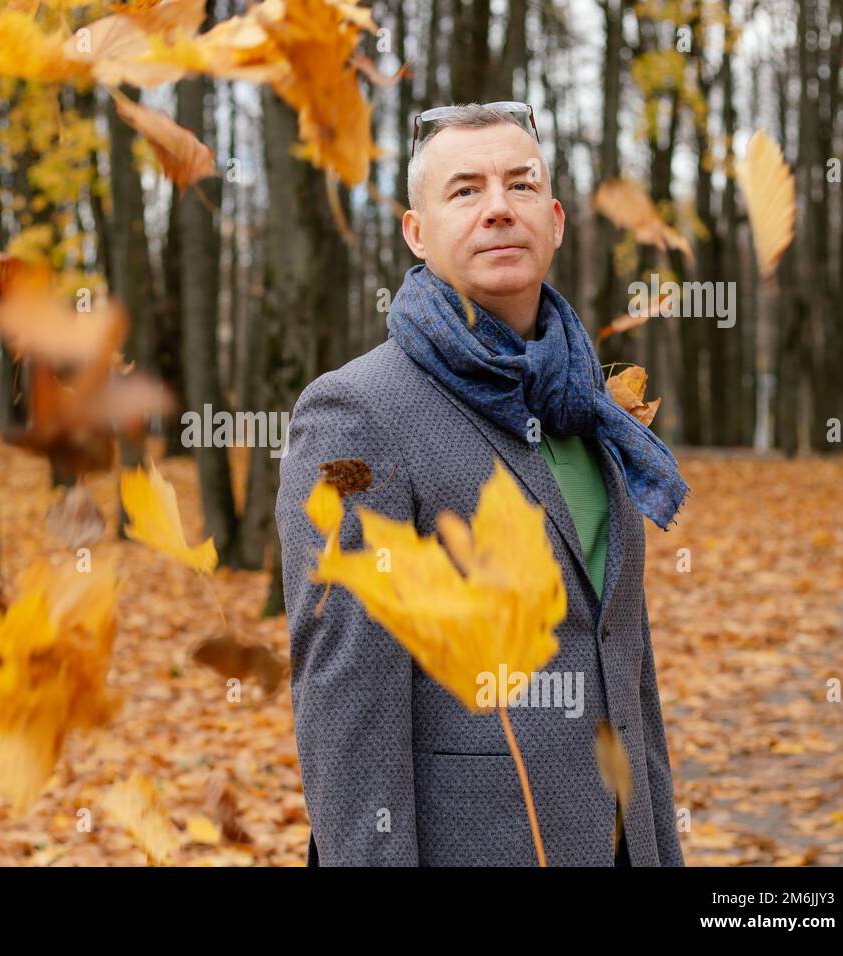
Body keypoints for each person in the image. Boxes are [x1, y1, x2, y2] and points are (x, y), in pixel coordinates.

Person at [275, 102, 688, 866]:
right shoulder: (356, 414)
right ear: (415, 231)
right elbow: (348, 713)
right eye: (464, 190)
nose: (499, 208)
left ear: (556, 219)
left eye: (520, 185)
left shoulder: (584, 403)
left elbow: (622, 660)